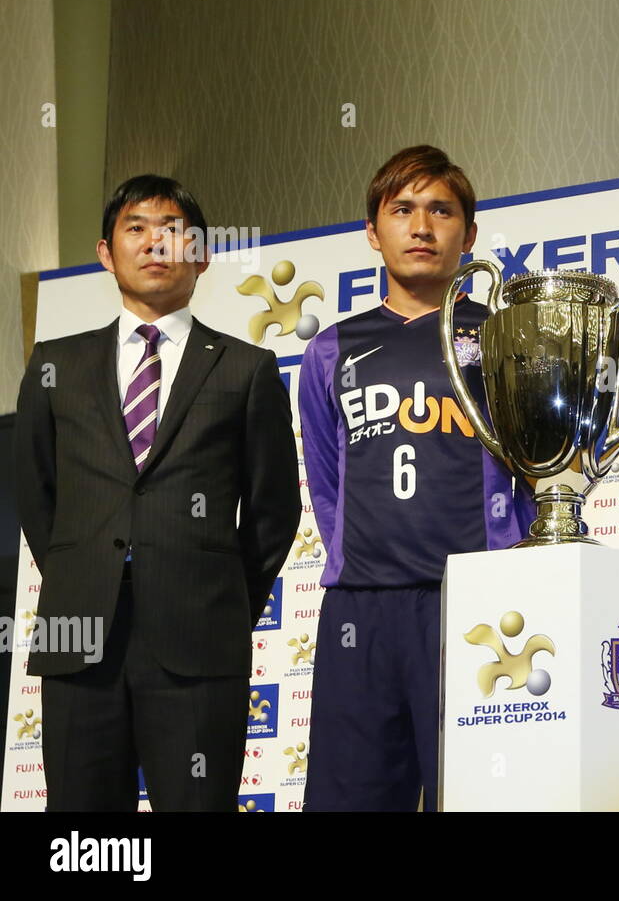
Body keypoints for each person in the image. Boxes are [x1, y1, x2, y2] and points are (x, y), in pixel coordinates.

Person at [15, 175, 300, 811]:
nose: (153, 242)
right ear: (105, 252)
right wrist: (80, 570)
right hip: (77, 634)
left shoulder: (244, 368)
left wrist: (220, 602)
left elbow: (273, 511)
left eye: (172, 229)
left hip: (199, 642)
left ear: (199, 255)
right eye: (136, 228)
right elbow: (37, 495)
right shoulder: (54, 365)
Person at [298, 145, 532, 811]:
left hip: (477, 604)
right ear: (374, 232)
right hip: (360, 610)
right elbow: (326, 478)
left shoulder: (504, 337)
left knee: (483, 795)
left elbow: (537, 470)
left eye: (441, 210)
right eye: (402, 210)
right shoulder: (330, 348)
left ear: (471, 234)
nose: (422, 227)